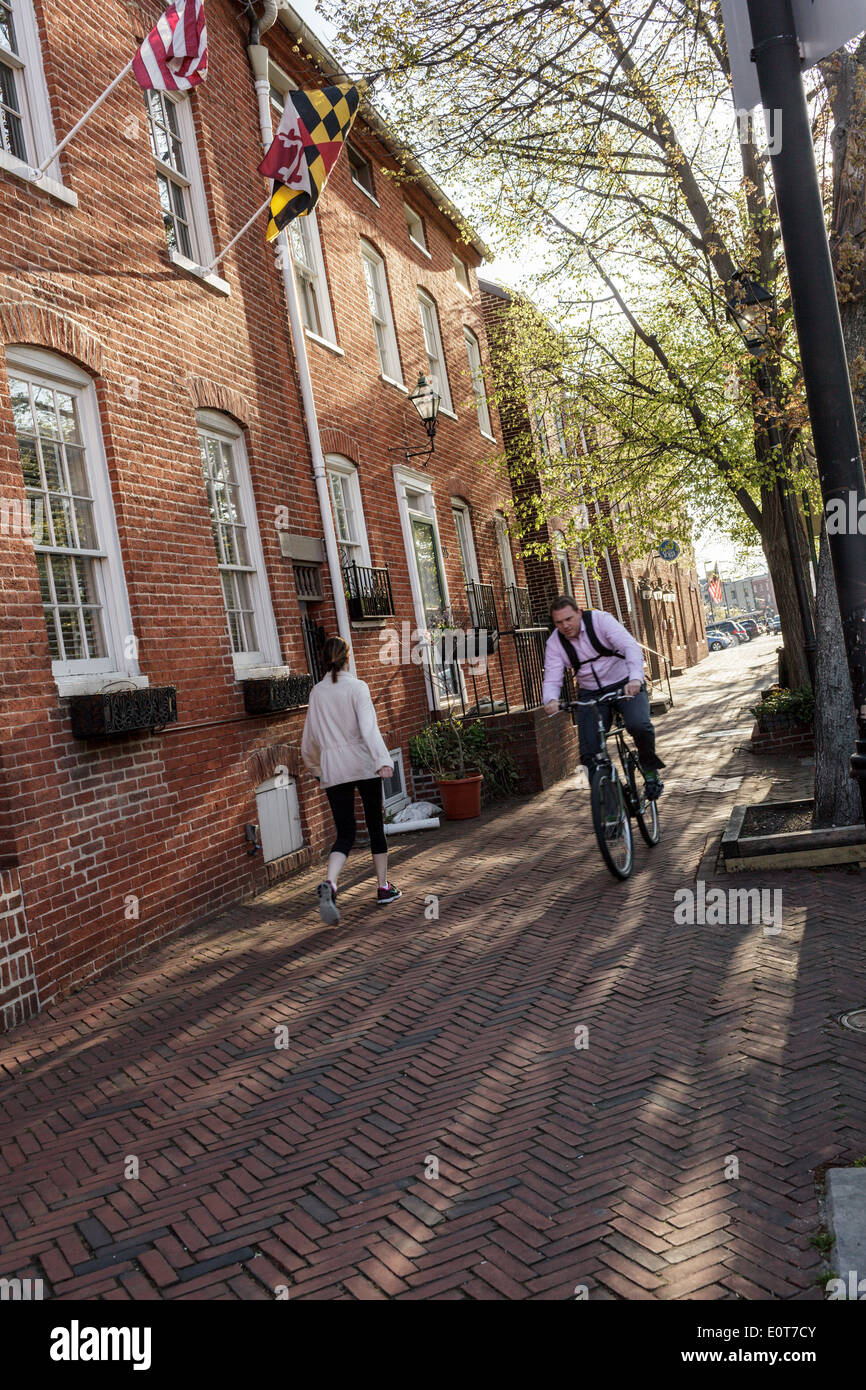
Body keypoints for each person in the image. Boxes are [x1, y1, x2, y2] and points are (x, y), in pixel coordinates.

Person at [301, 637, 402, 925]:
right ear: (348, 658)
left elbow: (309, 740)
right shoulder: (358, 687)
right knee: (374, 826)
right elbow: (369, 727)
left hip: (334, 769)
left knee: (344, 833)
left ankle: (331, 884)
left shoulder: (317, 693)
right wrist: (383, 760)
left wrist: (315, 768)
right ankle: (383, 888)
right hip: (363, 763)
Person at [542, 595, 665, 798]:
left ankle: (650, 770)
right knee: (589, 753)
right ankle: (609, 806)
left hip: (624, 683)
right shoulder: (555, 643)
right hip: (590, 692)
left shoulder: (601, 621)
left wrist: (635, 679)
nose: (565, 626)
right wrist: (551, 700)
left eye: (569, 619)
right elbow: (552, 677)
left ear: (579, 613)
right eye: (559, 622)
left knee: (639, 725)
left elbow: (630, 647)